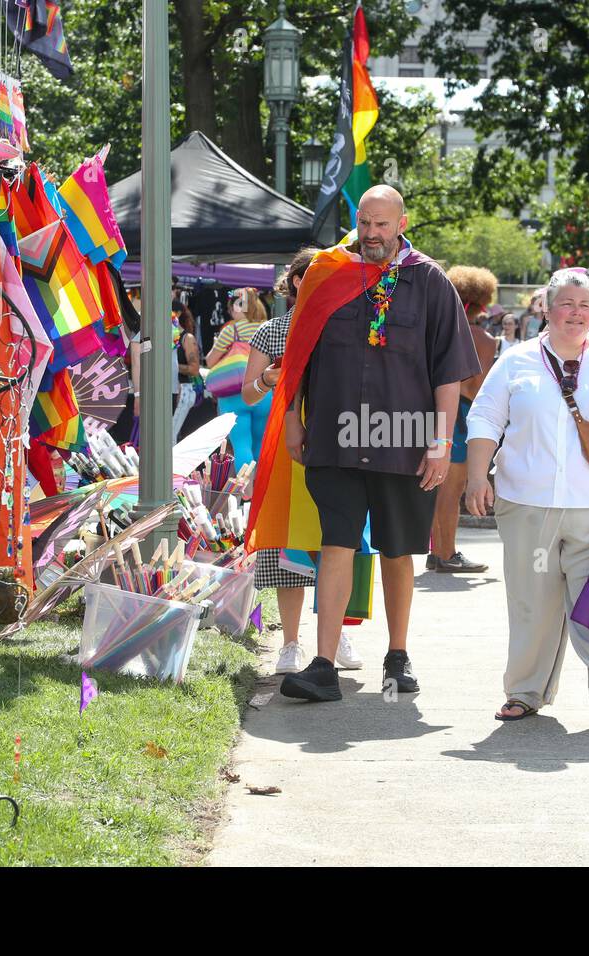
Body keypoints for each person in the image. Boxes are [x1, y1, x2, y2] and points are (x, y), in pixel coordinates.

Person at [263, 185, 481, 702]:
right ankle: (322, 664)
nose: (373, 235)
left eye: (383, 225)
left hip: (403, 439)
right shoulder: (325, 273)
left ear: (402, 222)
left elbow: (448, 372)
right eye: (365, 223)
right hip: (334, 436)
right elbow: (298, 357)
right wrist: (293, 419)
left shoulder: (429, 281)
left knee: (397, 547)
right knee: (335, 542)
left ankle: (398, 657)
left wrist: (440, 442)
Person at [465, 269, 589, 728]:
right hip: (526, 504)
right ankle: (524, 692)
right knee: (532, 601)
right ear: (546, 309)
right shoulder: (516, 360)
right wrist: (478, 477)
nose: (576, 314)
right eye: (566, 304)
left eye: (584, 305)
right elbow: (485, 419)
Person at [241, 247, 361, 675]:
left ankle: (335, 633)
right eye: (313, 275)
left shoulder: (345, 323)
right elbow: (248, 394)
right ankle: (291, 644)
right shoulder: (272, 331)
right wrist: (266, 379)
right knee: (287, 544)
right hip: (284, 451)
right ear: (295, 282)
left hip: (337, 443)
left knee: (337, 541)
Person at [428, 265, 500, 574]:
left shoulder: (437, 331)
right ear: (482, 300)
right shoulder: (484, 339)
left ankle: (436, 551)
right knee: (451, 490)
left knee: (434, 488)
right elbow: (474, 386)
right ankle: (447, 553)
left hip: (430, 414)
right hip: (460, 418)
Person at [205, 287, 270, 465]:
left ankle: (246, 492)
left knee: (241, 445)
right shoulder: (268, 327)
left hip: (235, 394)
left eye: (232, 306)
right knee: (260, 445)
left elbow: (210, 361)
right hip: (265, 391)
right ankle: (259, 490)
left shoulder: (231, 330)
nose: (230, 310)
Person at [171, 302, 202, 440]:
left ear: (177, 314)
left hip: (183, 392)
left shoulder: (187, 338)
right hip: (169, 391)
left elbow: (194, 369)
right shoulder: (165, 337)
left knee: (171, 435)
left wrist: (172, 366)